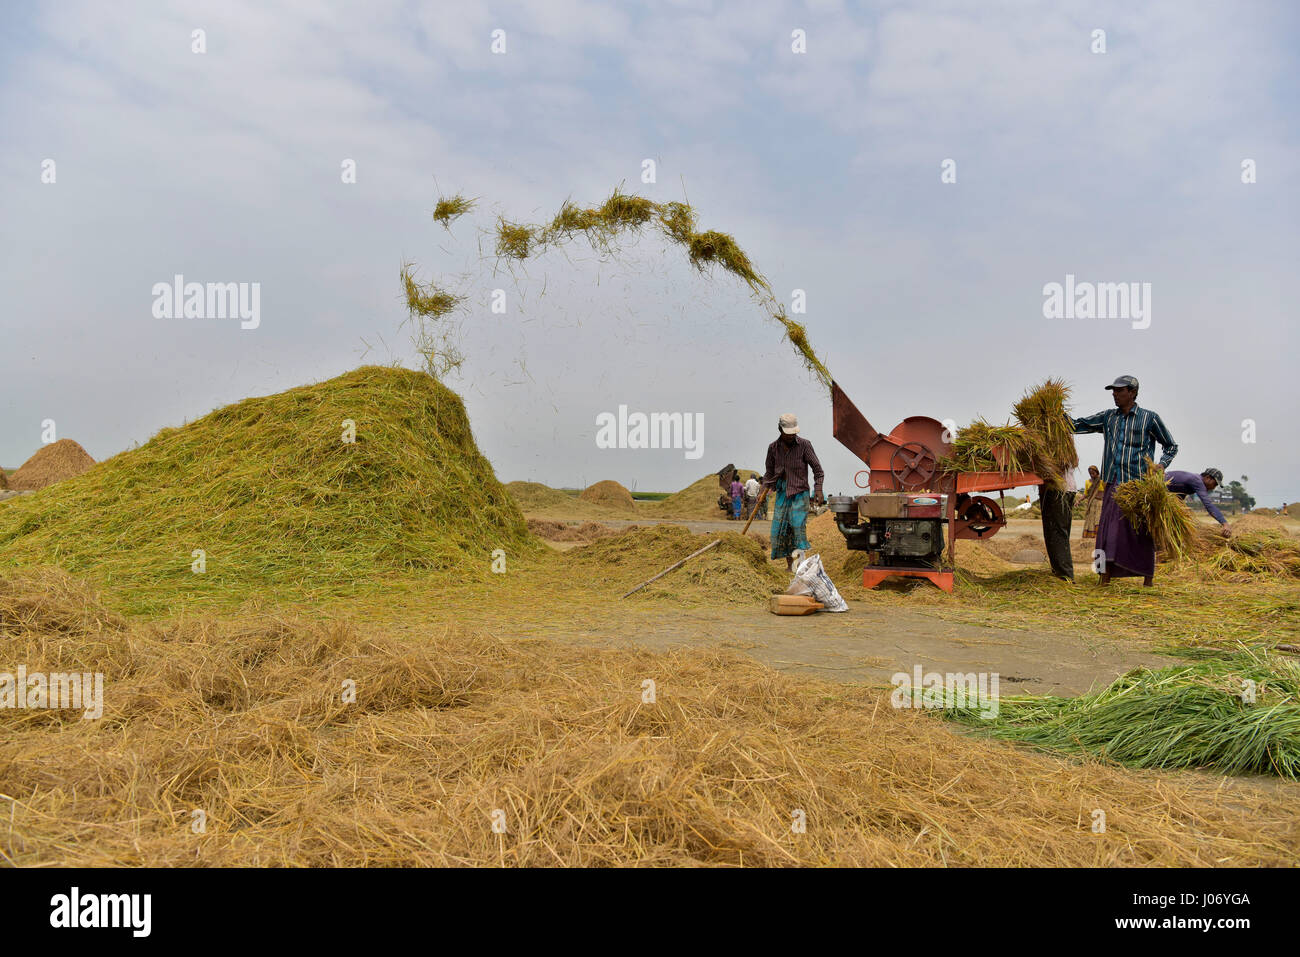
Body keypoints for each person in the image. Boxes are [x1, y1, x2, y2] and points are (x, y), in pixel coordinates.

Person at [1071, 375, 1178, 587]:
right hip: (1112, 483)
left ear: (1132, 392)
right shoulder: (1109, 417)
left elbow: (1171, 446)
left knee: (1140, 532)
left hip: (1137, 486)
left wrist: (1162, 464)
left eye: (1119, 391)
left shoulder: (1149, 418)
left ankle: (1147, 579)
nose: (1115, 395)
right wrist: (1054, 418)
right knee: (1106, 534)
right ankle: (1104, 577)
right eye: (1113, 391)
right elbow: (1079, 424)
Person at [762, 413, 825, 570]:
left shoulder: (804, 445)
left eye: (793, 433)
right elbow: (769, 473)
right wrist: (764, 488)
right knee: (781, 531)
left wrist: (818, 489)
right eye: (787, 434)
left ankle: (800, 566)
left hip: (799, 493)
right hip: (782, 493)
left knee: (797, 527)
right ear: (780, 430)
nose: (791, 436)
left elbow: (818, 470)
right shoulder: (773, 448)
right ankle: (790, 566)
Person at [1166, 467, 1232, 537]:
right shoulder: (1197, 481)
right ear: (1208, 478)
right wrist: (1225, 523)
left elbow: (1178, 496)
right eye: (1215, 484)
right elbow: (1208, 505)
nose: (1214, 487)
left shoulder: (1194, 480)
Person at [1040, 468, 1077, 581]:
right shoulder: (1069, 452)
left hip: (1057, 490)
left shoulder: (1054, 452)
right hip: (1068, 489)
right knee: (1060, 532)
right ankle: (1060, 572)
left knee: (1056, 533)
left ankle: (1065, 576)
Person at [1079, 465, 1104, 540]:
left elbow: (1105, 491)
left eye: (1093, 473)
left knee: (1098, 518)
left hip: (1100, 503)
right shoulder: (1087, 482)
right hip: (1091, 503)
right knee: (1090, 519)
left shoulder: (1101, 481)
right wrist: (1078, 500)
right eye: (1090, 473)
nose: (1091, 474)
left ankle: (1098, 535)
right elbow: (1086, 494)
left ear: (1097, 472)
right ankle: (1090, 535)